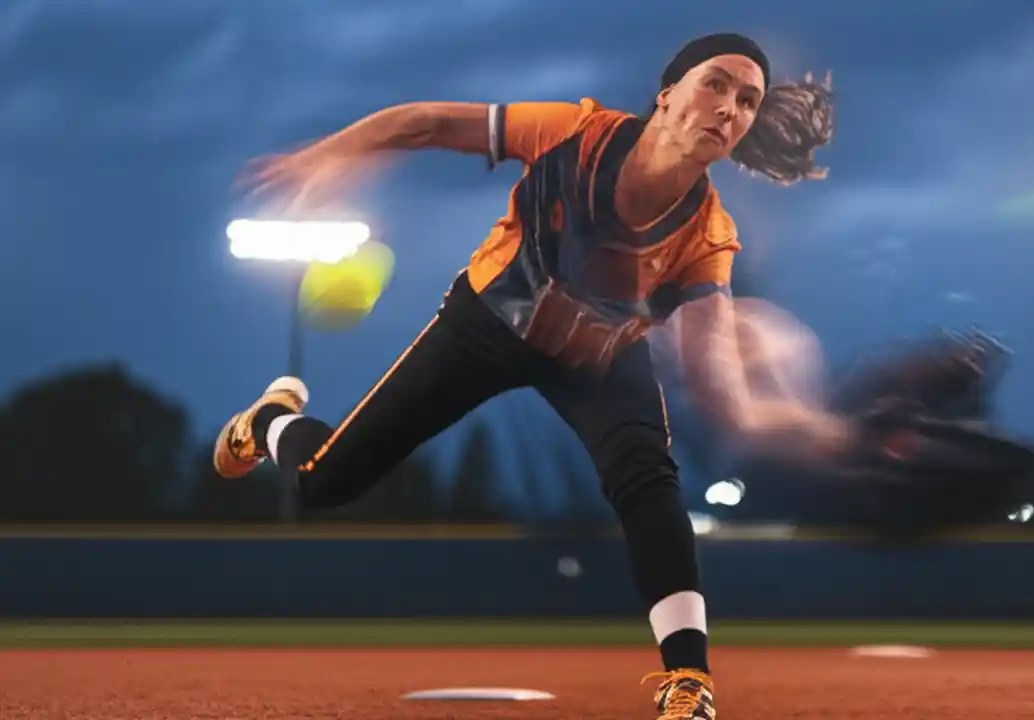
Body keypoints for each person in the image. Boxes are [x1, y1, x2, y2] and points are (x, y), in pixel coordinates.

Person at [216, 32, 842, 720]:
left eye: (748, 100)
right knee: (322, 483)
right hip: (487, 324)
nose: (731, 107)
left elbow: (725, 388)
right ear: (668, 95)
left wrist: (811, 429)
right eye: (716, 83)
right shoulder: (577, 134)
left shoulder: (708, 237)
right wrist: (331, 153)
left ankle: (689, 680)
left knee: (647, 476)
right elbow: (428, 121)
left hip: (599, 352)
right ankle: (270, 418)